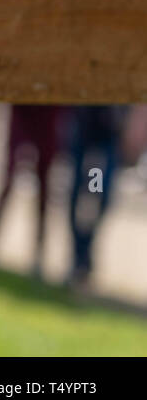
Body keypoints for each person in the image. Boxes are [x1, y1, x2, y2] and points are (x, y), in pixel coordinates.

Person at [0, 104, 64, 280]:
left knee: (44, 190)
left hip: (50, 113)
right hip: (23, 110)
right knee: (8, 179)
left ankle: (38, 258)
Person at [65, 104, 126, 294]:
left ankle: (84, 252)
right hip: (84, 129)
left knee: (96, 194)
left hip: (106, 134)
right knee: (81, 195)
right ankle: (79, 255)